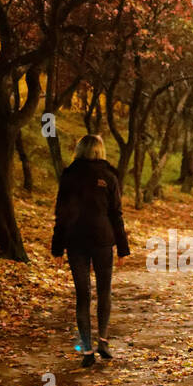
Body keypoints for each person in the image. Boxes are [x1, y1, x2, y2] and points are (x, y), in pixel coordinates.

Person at [51, 134, 130, 367]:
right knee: (104, 291)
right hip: (103, 239)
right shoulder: (109, 176)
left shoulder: (69, 176)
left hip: (75, 240)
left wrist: (57, 247)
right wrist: (123, 248)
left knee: (82, 294)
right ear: (100, 151)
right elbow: (116, 213)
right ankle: (103, 342)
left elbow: (61, 214)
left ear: (79, 149)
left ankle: (87, 351)